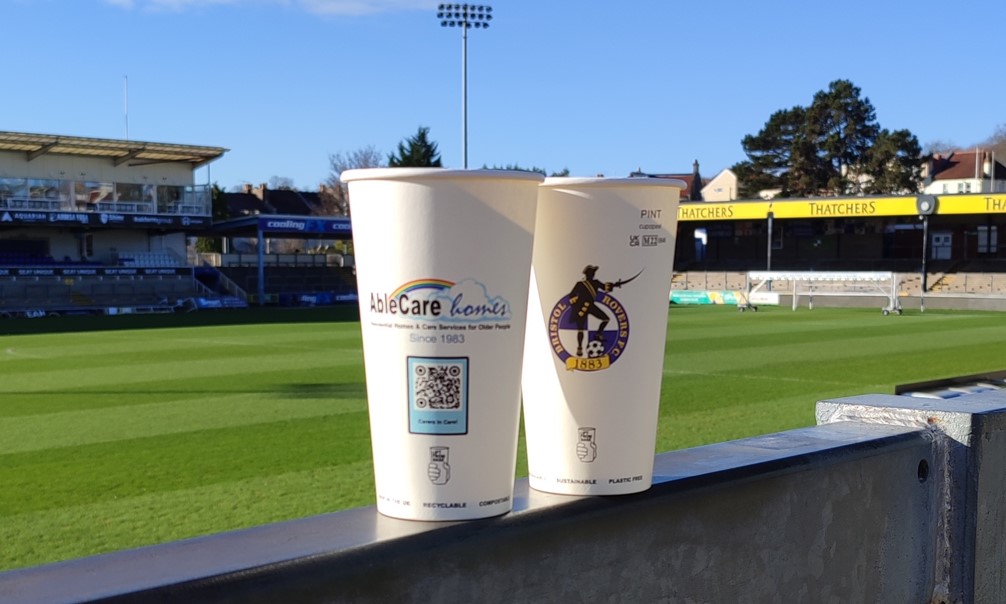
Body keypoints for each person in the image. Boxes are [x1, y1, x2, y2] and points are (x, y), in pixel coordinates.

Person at [567, 265, 613, 357]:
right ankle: (579, 348)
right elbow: (571, 295)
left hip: (591, 306)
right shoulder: (580, 284)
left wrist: (612, 285)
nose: (593, 274)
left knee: (606, 319)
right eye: (592, 273)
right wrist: (576, 303)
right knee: (580, 329)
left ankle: (598, 333)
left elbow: (605, 287)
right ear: (589, 274)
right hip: (581, 308)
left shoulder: (596, 283)